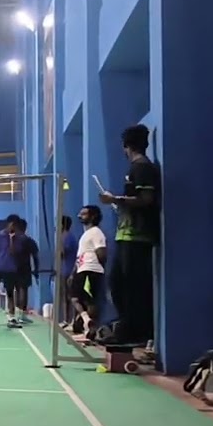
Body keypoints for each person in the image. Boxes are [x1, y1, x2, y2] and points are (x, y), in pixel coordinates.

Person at [98, 124, 161, 347]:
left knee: (133, 288)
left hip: (138, 237)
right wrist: (119, 204)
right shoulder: (135, 168)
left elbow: (146, 200)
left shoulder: (142, 168)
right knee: (117, 284)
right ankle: (127, 327)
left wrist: (114, 199)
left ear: (126, 146)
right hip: (126, 235)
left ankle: (137, 333)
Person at [70, 205, 107, 338]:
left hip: (91, 270)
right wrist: (73, 273)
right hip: (82, 269)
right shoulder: (86, 234)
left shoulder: (96, 232)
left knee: (89, 301)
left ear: (93, 217)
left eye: (84, 214)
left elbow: (102, 253)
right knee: (76, 298)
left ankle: (90, 330)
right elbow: (80, 256)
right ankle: (86, 322)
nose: (79, 216)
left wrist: (97, 268)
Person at [12, 219, 40, 324]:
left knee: (17, 290)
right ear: (25, 228)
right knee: (23, 290)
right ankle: (22, 315)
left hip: (13, 269)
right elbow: (35, 256)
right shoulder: (28, 240)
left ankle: (16, 314)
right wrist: (36, 269)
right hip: (24, 268)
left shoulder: (12, 240)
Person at [59, 215, 79, 327]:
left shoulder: (67, 237)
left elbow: (62, 253)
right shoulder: (65, 236)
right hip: (64, 270)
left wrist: (60, 242)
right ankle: (67, 320)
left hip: (69, 271)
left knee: (70, 297)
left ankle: (71, 321)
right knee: (65, 296)